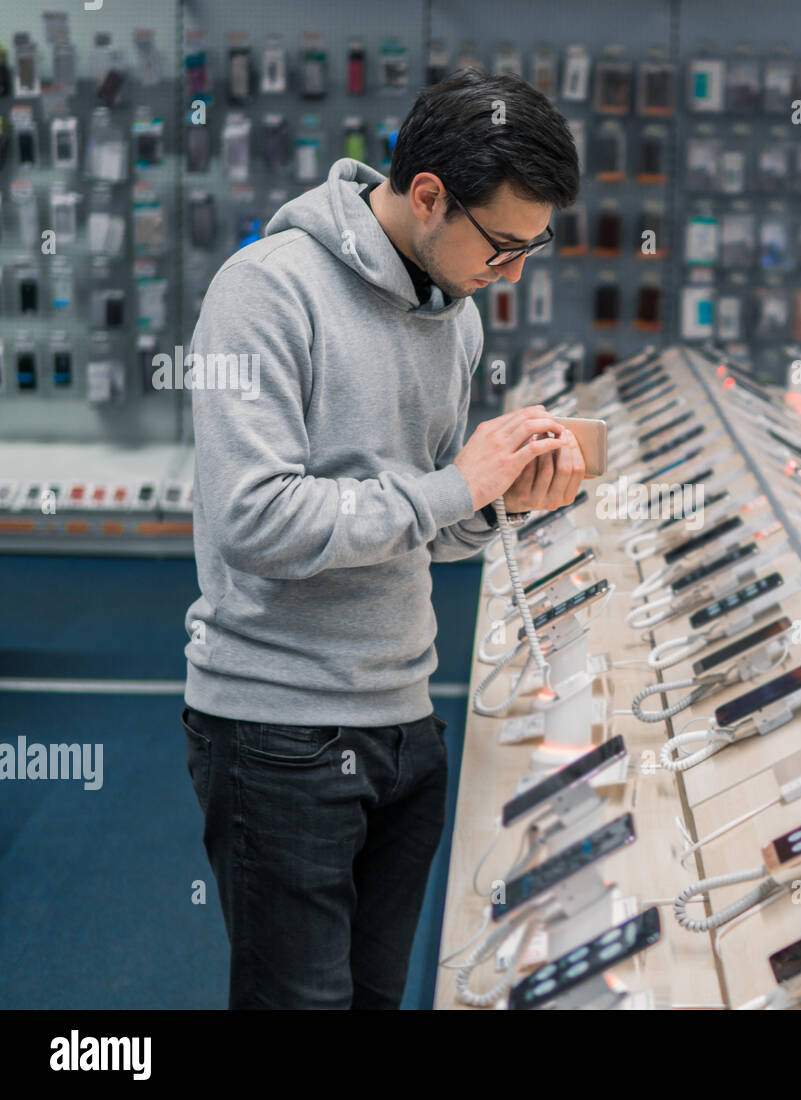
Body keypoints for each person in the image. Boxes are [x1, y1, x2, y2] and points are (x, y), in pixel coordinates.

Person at [179, 68, 584, 1009]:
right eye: (504, 245)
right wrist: (453, 486)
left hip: (404, 719)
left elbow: (417, 528)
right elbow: (254, 520)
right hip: (278, 730)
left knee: (373, 998)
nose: (515, 272)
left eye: (536, 247)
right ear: (430, 195)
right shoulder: (264, 293)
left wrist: (494, 505)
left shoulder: (460, 317)